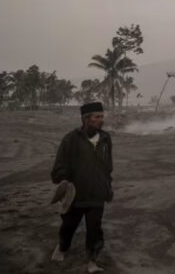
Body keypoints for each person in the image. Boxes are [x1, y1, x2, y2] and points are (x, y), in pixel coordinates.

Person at [50, 101, 114, 273]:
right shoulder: (71, 139)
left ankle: (92, 261)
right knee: (68, 226)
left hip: (97, 194)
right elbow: (59, 166)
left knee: (95, 229)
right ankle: (62, 247)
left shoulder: (106, 138)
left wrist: (108, 187)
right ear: (86, 119)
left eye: (102, 116)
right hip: (76, 194)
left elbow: (108, 166)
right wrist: (63, 181)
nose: (101, 120)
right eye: (97, 117)